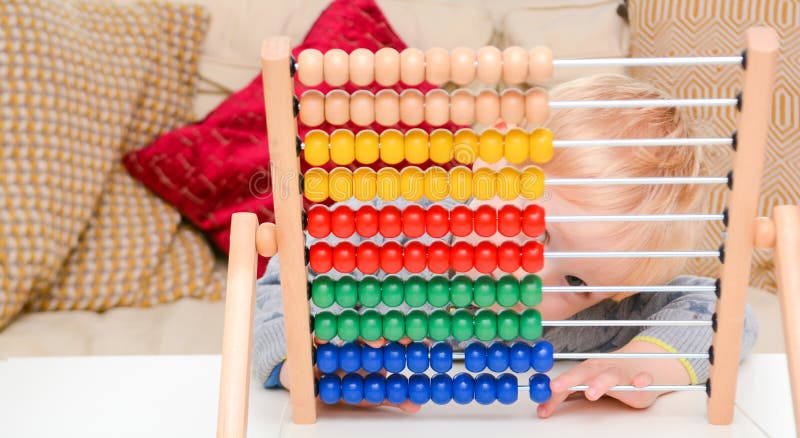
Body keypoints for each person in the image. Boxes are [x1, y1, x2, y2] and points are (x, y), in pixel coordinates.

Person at [251, 74, 758, 418]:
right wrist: (307, 364)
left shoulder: (593, 319)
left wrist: (644, 360)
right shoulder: (384, 244)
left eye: (576, 283)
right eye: (537, 231)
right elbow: (283, 278)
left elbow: (725, 309)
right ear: (491, 162)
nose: (533, 278)